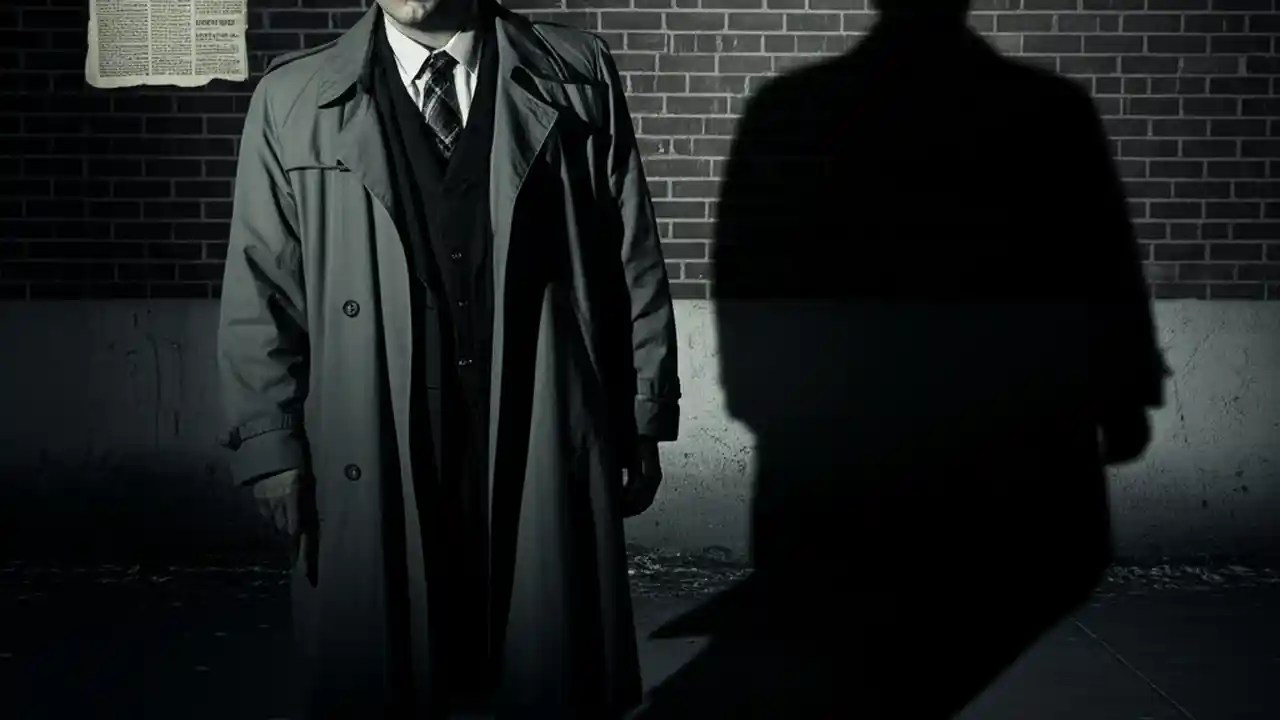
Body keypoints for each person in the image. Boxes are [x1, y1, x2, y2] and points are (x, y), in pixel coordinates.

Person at [635, 0, 1168, 717]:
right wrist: (1124, 393)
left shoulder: (795, 108)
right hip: (1000, 440)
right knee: (940, 642)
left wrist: (763, 400)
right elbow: (1096, 264)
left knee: (843, 654)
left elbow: (747, 273)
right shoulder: (1046, 110)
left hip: (838, 441)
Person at [215, 0, 680, 716]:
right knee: (385, 660)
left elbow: (631, 256)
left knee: (541, 658)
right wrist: (271, 445)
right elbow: (261, 287)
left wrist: (643, 410)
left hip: (537, 417)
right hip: (374, 429)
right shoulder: (293, 97)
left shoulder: (575, 74)